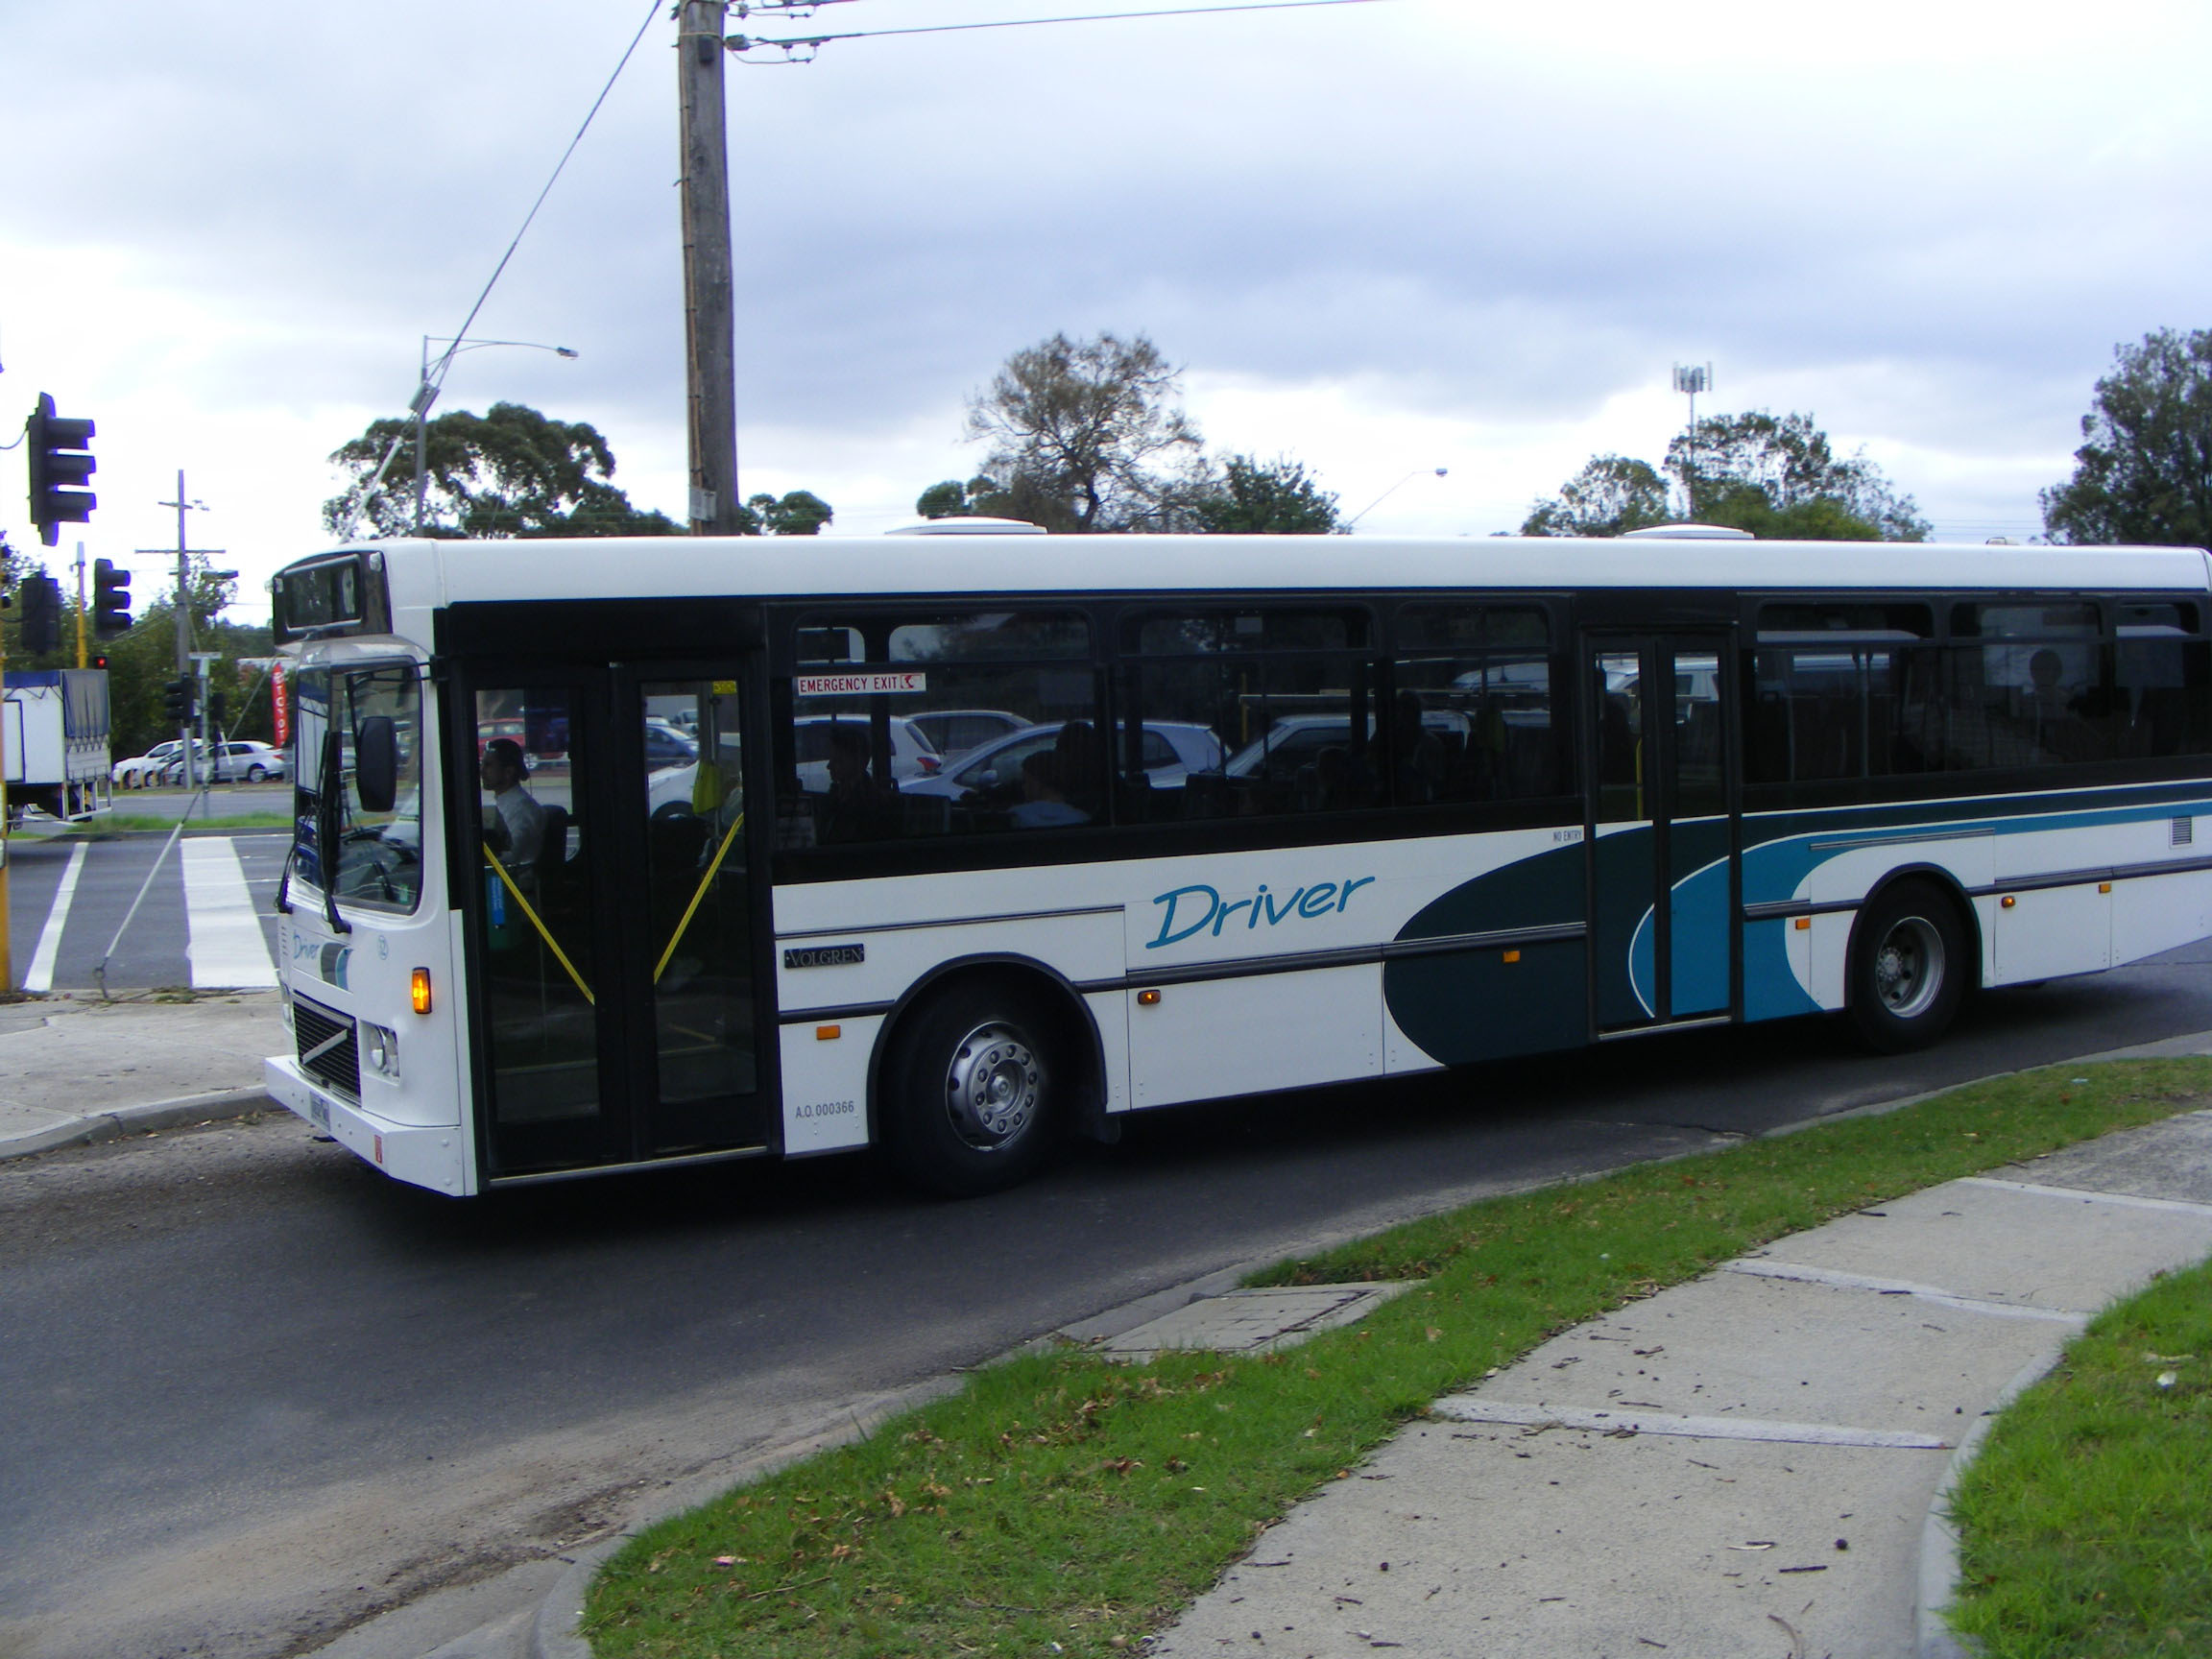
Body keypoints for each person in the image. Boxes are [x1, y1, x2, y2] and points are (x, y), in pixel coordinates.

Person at [480, 737, 547, 869]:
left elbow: (512, 857)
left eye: (488, 765)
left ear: (508, 772)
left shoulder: (521, 808)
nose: (482, 771)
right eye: (482, 764)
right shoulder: (506, 803)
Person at [1010, 750, 1092, 828]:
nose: (1023, 787)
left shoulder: (1016, 816)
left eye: (1025, 781)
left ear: (1036, 783)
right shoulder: (1083, 819)